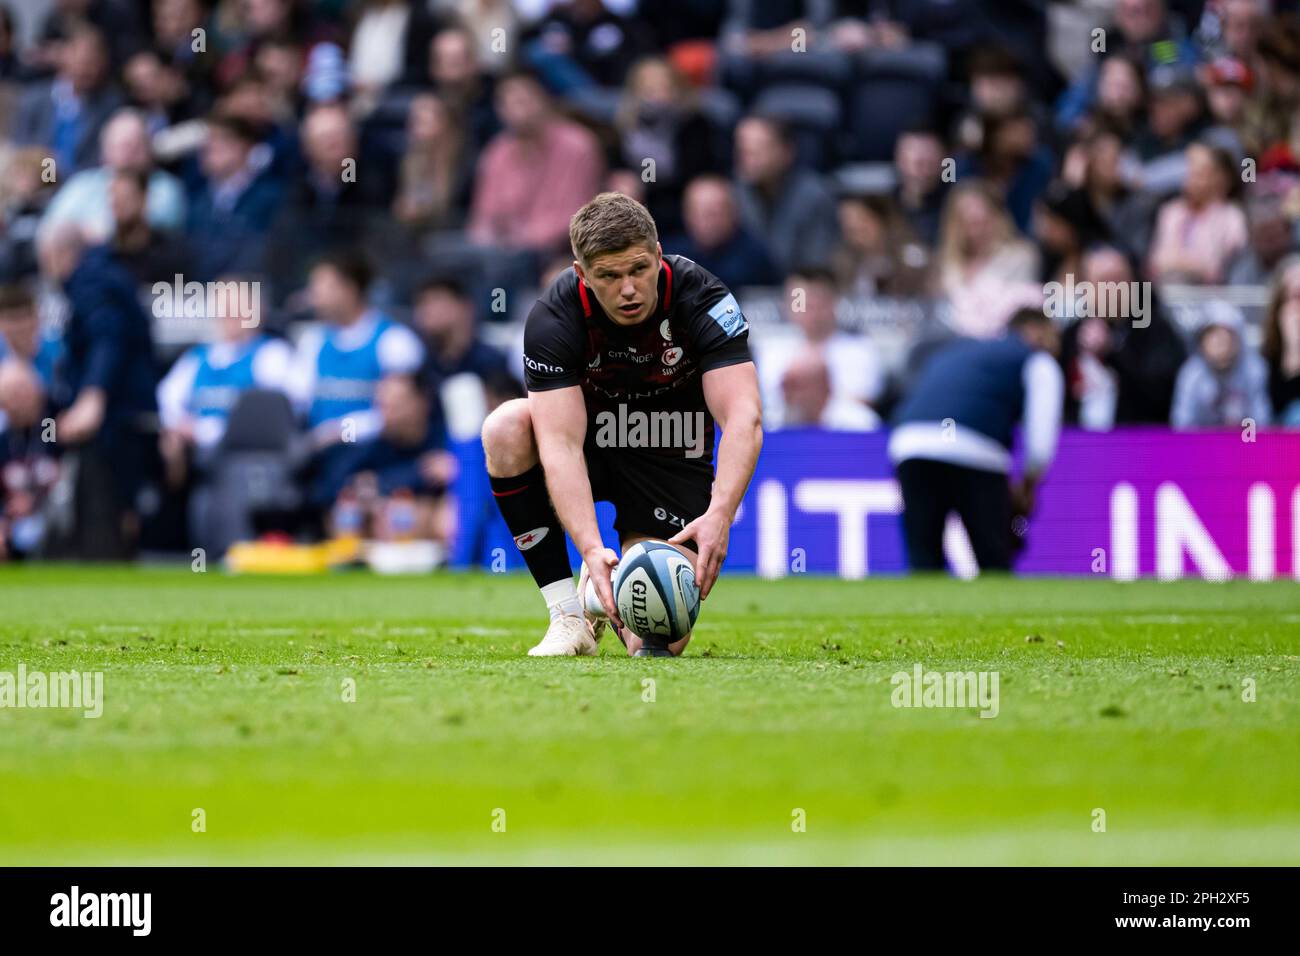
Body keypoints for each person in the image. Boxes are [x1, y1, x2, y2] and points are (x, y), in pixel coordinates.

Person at [480, 192, 762, 657]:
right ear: (582, 274)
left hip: (670, 450)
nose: (628, 289)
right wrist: (591, 547)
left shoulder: (704, 297)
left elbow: (743, 417)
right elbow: (561, 446)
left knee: (657, 635)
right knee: (505, 428)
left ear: (657, 254)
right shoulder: (554, 316)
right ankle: (568, 615)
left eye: (638, 270)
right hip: (590, 443)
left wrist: (720, 514)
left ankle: (599, 592)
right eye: (609, 276)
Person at [889, 309, 1064, 573]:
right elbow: (1040, 442)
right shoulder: (1035, 359)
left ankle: (925, 611)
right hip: (976, 452)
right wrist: (1028, 486)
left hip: (910, 445)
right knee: (993, 557)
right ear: (1035, 331)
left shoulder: (957, 351)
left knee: (923, 558)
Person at [287, 251, 425, 508]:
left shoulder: (395, 341)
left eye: (322, 286)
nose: (313, 295)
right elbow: (296, 401)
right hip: (321, 454)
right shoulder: (312, 341)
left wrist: (340, 430)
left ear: (349, 289)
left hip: (377, 452)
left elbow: (406, 417)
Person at [1059, 244, 1188, 428]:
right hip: (1080, 443)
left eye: (1118, 280)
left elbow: (1162, 397)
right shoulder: (1072, 335)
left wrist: (1112, 354)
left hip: (1138, 444)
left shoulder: (1156, 330)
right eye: (1103, 282)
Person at [733, 115, 838, 276]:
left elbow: (815, 270)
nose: (748, 158)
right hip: (744, 294)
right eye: (743, 150)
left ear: (787, 152)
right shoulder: (733, 193)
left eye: (759, 148)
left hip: (798, 292)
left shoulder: (815, 197)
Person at [667, 175, 778, 291]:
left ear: (733, 214)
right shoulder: (671, 255)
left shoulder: (755, 258)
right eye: (701, 213)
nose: (710, 222)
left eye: (716, 213)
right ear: (687, 216)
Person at [1171, 304, 1272, 429]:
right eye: (1214, 335)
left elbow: (1262, 421)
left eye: (1229, 335)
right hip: (1201, 445)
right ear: (1202, 341)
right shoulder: (1191, 374)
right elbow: (1182, 423)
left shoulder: (1254, 370)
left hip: (1244, 444)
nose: (1222, 342)